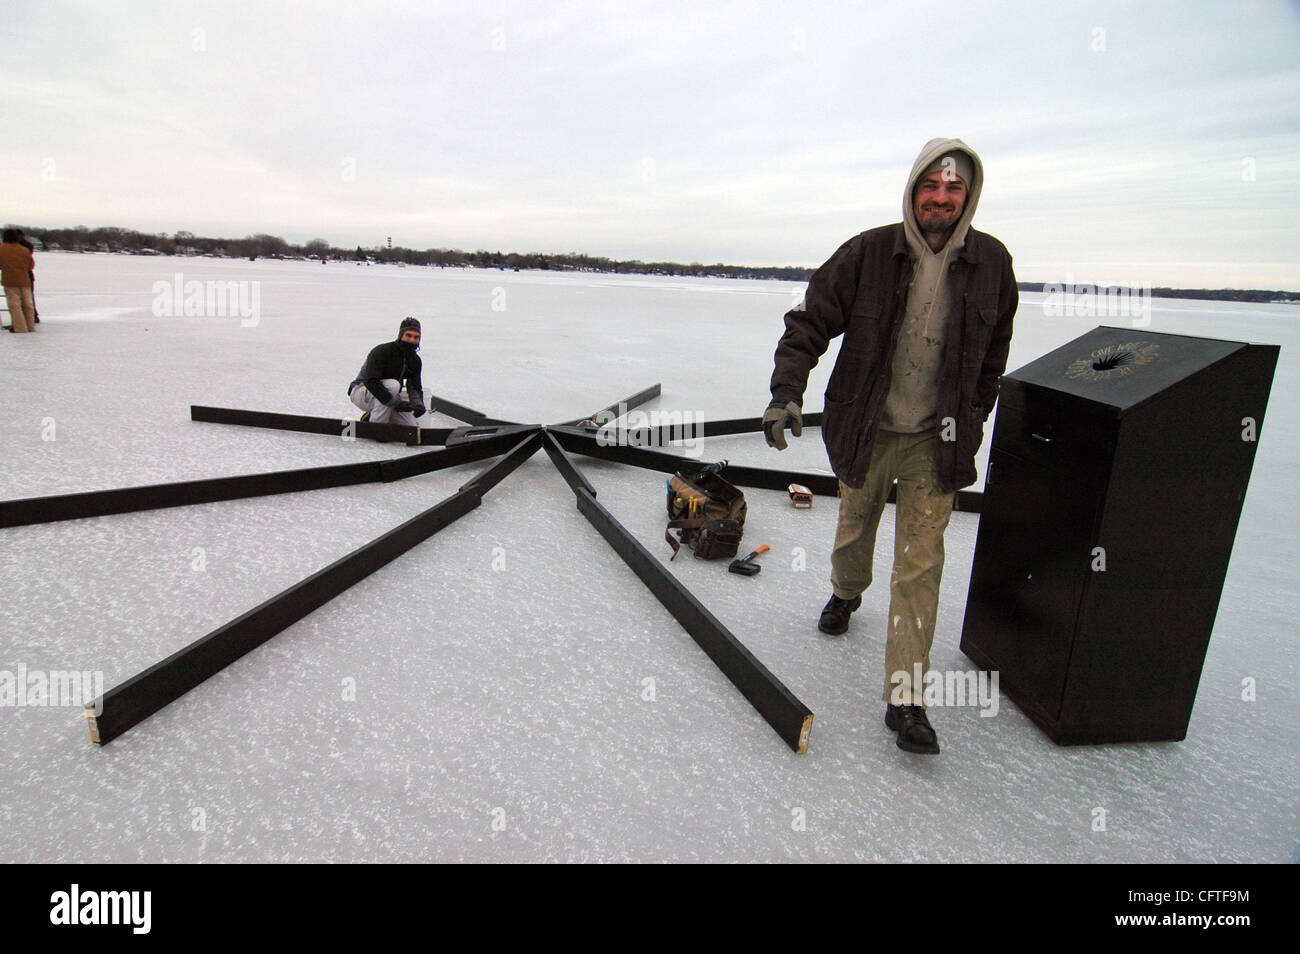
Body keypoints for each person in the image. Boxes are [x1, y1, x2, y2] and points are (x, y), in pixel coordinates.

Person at [763, 138, 1017, 755]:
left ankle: (907, 700)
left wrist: (974, 415)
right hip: (868, 428)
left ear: (968, 196)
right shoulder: (870, 252)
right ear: (913, 190)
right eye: (931, 187)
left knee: (921, 564)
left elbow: (994, 356)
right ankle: (846, 593)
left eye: (953, 189)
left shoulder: (993, 263)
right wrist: (787, 392)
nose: (941, 198)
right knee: (856, 527)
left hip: (939, 439)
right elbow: (809, 323)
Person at [348, 317, 428, 426]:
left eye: (416, 337)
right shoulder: (382, 351)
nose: (412, 340)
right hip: (362, 392)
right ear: (401, 335)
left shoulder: (415, 360)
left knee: (411, 427)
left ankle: (373, 416)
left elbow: (415, 386)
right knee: (393, 385)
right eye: (408, 335)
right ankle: (377, 425)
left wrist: (418, 404)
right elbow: (371, 382)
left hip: (388, 397)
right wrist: (395, 404)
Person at [0, 228, 37, 333]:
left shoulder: (1, 248)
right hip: (25, 280)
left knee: (14, 304)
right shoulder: (24, 250)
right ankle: (30, 326)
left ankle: (20, 327)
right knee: (27, 304)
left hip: (9, 280)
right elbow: (31, 265)